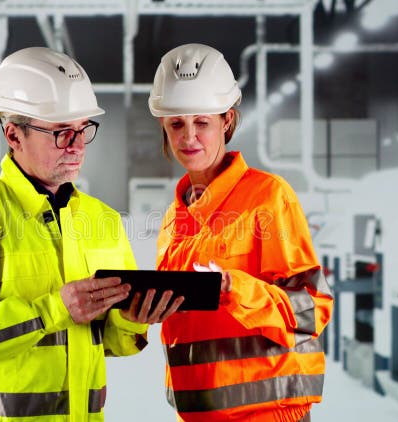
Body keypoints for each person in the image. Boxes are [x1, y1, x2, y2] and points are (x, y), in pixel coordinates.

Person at [0, 46, 182, 422]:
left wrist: (132, 319)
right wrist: (53, 310)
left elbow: (111, 342)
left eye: (83, 130)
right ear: (13, 135)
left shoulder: (103, 222)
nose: (77, 147)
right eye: (61, 133)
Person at [148, 43, 334, 422]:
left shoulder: (268, 197)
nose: (189, 137)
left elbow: (312, 310)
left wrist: (234, 289)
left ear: (227, 121)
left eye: (202, 123)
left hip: (267, 414)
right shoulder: (174, 218)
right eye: (176, 124)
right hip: (197, 414)